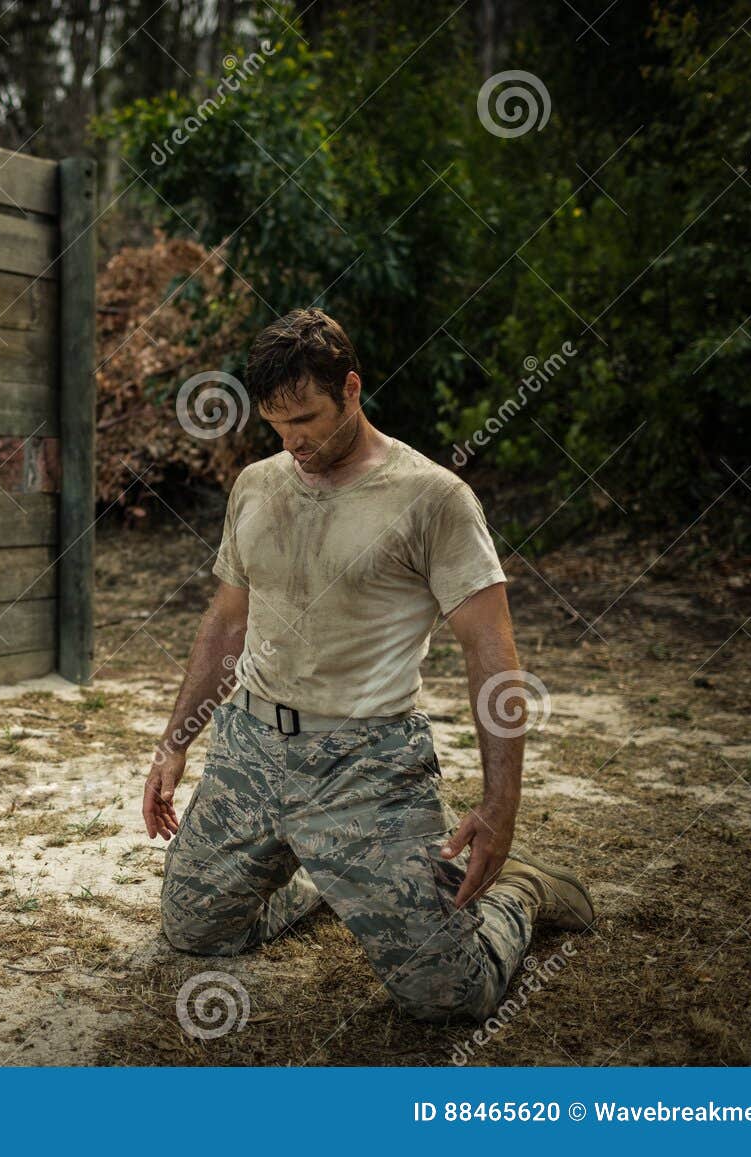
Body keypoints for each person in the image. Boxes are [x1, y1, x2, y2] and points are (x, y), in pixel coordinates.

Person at [145, 308, 593, 1023]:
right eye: (277, 425)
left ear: (352, 388)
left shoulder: (433, 497)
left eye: (308, 419)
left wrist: (499, 808)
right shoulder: (257, 485)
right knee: (196, 932)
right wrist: (175, 743)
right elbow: (227, 621)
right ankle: (329, 874)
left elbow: (492, 652)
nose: (294, 441)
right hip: (249, 747)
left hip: (365, 763)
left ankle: (520, 896)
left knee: (448, 995)